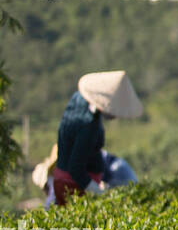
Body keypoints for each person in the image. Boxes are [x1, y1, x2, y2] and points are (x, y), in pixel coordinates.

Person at [49, 71, 144, 206]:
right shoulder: (87, 126)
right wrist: (96, 191)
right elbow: (75, 169)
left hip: (67, 181)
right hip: (73, 187)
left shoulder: (78, 99)